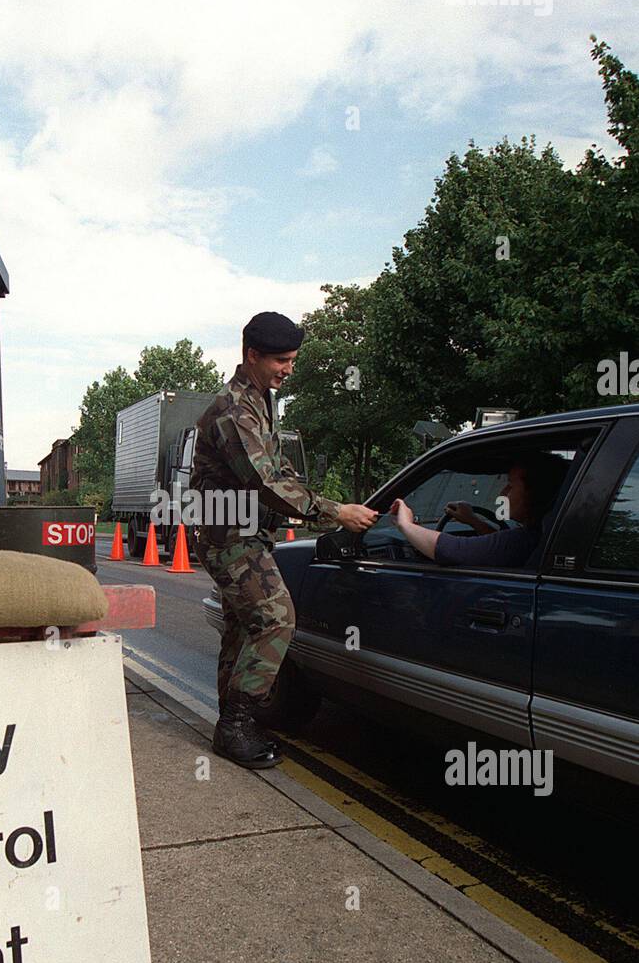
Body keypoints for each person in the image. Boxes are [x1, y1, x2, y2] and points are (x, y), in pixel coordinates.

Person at [191, 311, 378, 769]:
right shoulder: (234, 410)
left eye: (293, 360)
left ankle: (232, 725)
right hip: (228, 534)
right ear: (252, 355)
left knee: (242, 629)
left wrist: (325, 503)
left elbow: (281, 470)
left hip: (241, 531)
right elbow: (265, 482)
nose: (289, 369)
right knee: (276, 620)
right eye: (282, 360)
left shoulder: (260, 400)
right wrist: (335, 512)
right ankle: (235, 727)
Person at [389, 452, 568, 567]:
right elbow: (498, 546)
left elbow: (453, 550)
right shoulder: (544, 534)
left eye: (510, 485)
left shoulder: (527, 540)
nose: (503, 492)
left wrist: (405, 524)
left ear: (535, 492)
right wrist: (473, 521)